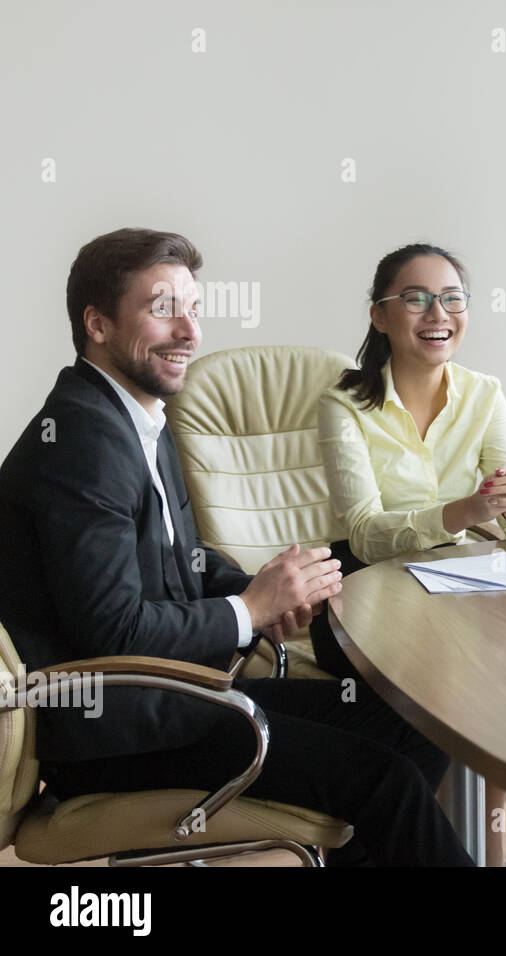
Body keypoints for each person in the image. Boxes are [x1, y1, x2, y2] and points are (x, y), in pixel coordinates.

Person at [0, 228, 472, 866]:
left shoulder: (135, 415)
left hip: (170, 700)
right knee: (381, 778)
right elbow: (113, 630)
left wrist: (274, 591)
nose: (189, 331)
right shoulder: (81, 443)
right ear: (98, 324)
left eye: (193, 309)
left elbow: (185, 562)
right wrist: (249, 610)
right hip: (118, 731)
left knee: (414, 724)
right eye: (162, 308)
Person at [313, 243, 506, 680]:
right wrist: (467, 510)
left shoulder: (484, 394)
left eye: (452, 298)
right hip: (361, 593)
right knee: (440, 677)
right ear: (379, 316)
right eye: (416, 299)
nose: (438, 314)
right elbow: (363, 537)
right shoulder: (342, 405)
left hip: (454, 584)